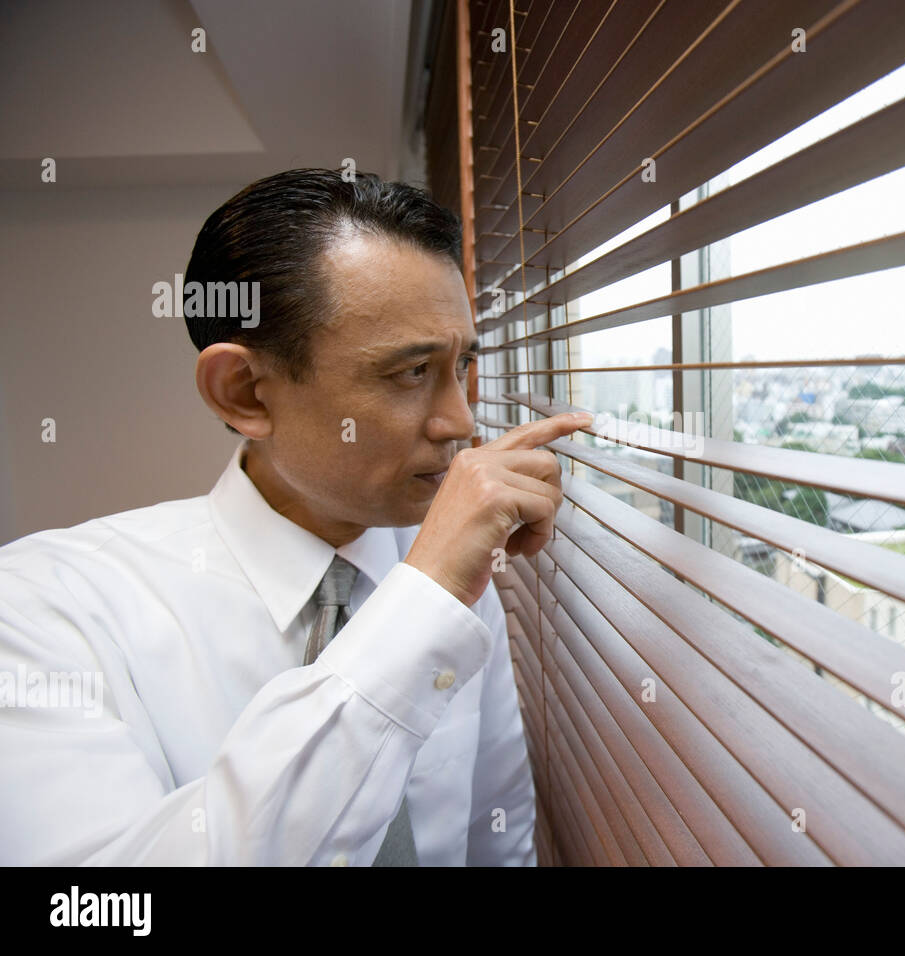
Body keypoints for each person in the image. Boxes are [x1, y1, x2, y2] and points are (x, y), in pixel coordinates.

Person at [0, 168, 589, 865]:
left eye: (462, 365)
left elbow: (496, 836)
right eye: (409, 373)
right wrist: (420, 608)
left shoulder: (457, 570)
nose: (460, 421)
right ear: (245, 392)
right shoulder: (45, 610)